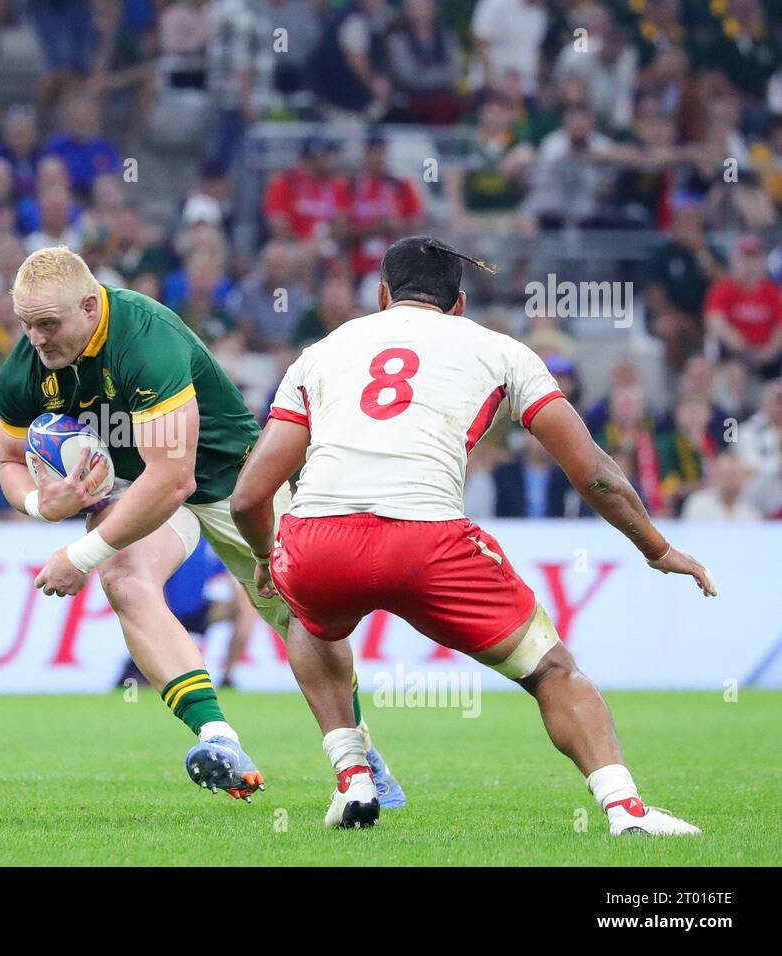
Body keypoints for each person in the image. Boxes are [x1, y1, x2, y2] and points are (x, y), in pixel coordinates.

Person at [231, 236, 715, 834]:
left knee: (308, 622)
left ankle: (353, 775)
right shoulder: (501, 351)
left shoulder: (321, 352)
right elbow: (593, 474)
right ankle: (625, 810)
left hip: (319, 538)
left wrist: (264, 558)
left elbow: (250, 496)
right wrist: (658, 549)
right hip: (428, 542)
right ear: (459, 304)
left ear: (383, 296)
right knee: (552, 671)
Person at [0, 247, 402, 804]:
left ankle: (361, 757)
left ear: (91, 306)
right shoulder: (28, 362)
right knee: (125, 579)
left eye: (48, 325)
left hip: (229, 479)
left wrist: (78, 555)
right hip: (144, 488)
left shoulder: (144, 339)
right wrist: (44, 506)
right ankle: (219, 737)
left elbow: (175, 479)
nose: (36, 340)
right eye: (27, 325)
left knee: (304, 614)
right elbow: (9, 460)